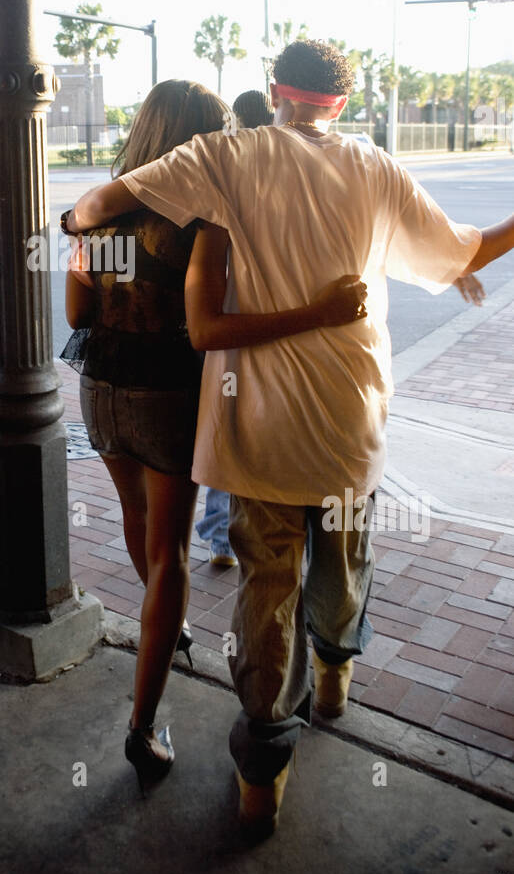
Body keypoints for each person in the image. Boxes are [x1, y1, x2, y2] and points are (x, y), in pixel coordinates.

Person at [65, 39, 511, 835]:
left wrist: (71, 221)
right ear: (339, 105)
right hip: (349, 423)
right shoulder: (377, 169)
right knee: (341, 561)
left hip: (255, 428)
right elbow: (468, 254)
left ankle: (261, 773)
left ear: (275, 92)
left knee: (266, 593)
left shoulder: (223, 156)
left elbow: (101, 208)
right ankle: (335, 670)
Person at [61, 79, 366, 792]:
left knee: (143, 533)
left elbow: (77, 314)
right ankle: (141, 726)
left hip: (100, 389)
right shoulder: (200, 219)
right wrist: (318, 313)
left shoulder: (96, 212)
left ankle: (165, 627)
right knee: (170, 559)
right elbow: (207, 330)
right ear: (198, 140)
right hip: (168, 394)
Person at [195, 88, 275, 567]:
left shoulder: (225, 169)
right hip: (266, 321)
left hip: (227, 321)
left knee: (225, 431)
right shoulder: (277, 171)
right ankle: (247, 533)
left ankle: (222, 539)